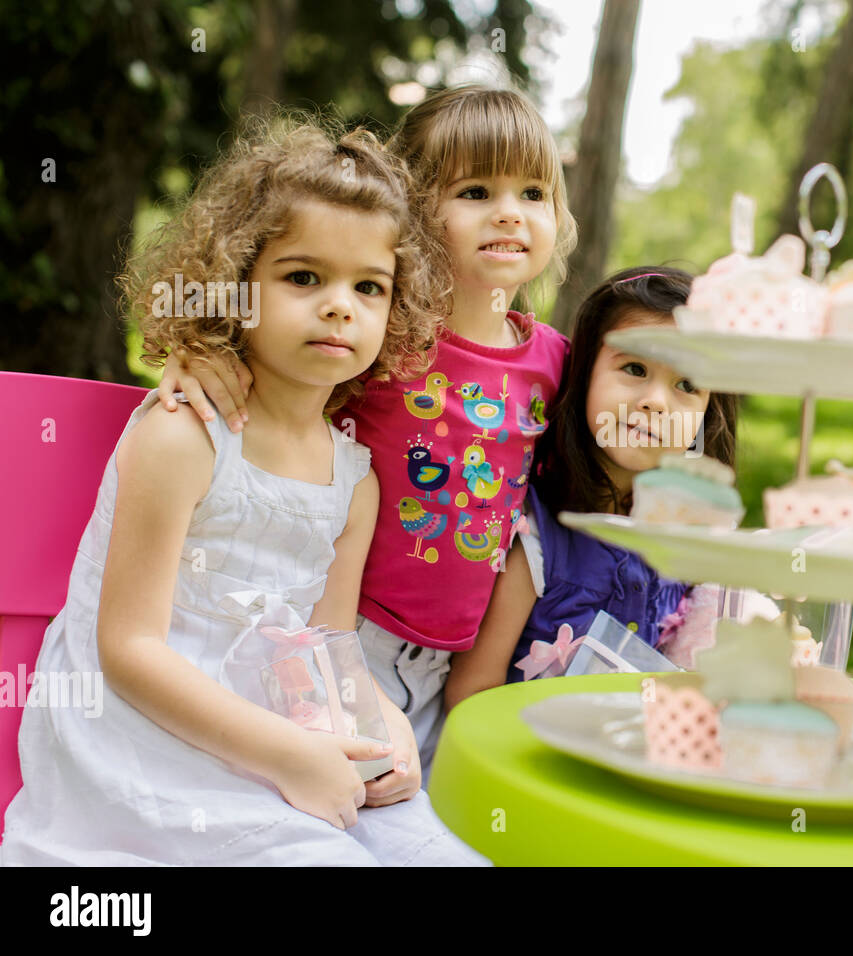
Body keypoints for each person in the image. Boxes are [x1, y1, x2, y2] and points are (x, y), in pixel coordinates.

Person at [1, 118, 485, 865]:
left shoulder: (354, 480)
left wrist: (384, 722)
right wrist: (289, 757)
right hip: (146, 735)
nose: (338, 305)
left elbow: (330, 651)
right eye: (302, 277)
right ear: (236, 285)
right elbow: (129, 649)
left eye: (369, 287)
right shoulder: (186, 433)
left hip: (281, 725)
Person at [154, 86, 575, 775]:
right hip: (347, 641)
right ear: (414, 214)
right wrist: (197, 356)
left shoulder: (553, 361)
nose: (508, 213)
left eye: (534, 193)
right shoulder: (383, 336)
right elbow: (274, 356)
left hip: (455, 666)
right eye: (475, 191)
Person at [442, 267, 739, 707]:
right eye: (635, 368)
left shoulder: (689, 536)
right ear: (585, 375)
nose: (655, 402)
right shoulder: (536, 539)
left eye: (687, 384)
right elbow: (471, 695)